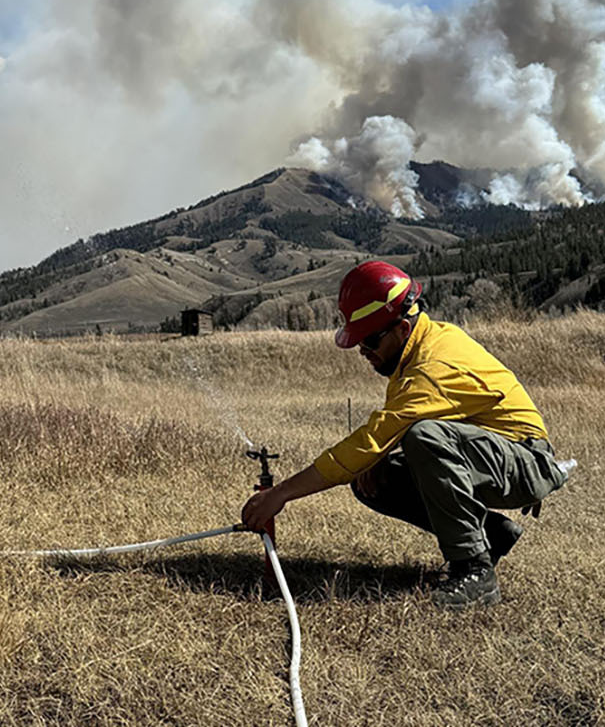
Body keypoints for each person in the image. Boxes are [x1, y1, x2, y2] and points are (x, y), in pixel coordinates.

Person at [240, 260, 569, 609]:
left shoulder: (434, 366)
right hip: (494, 453)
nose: (363, 351)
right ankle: (491, 535)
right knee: (376, 476)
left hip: (525, 460)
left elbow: (372, 439)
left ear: (402, 326)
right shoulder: (417, 349)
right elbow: (379, 442)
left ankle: (475, 572)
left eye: (369, 340)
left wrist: (282, 493)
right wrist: (375, 459)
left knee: (423, 438)